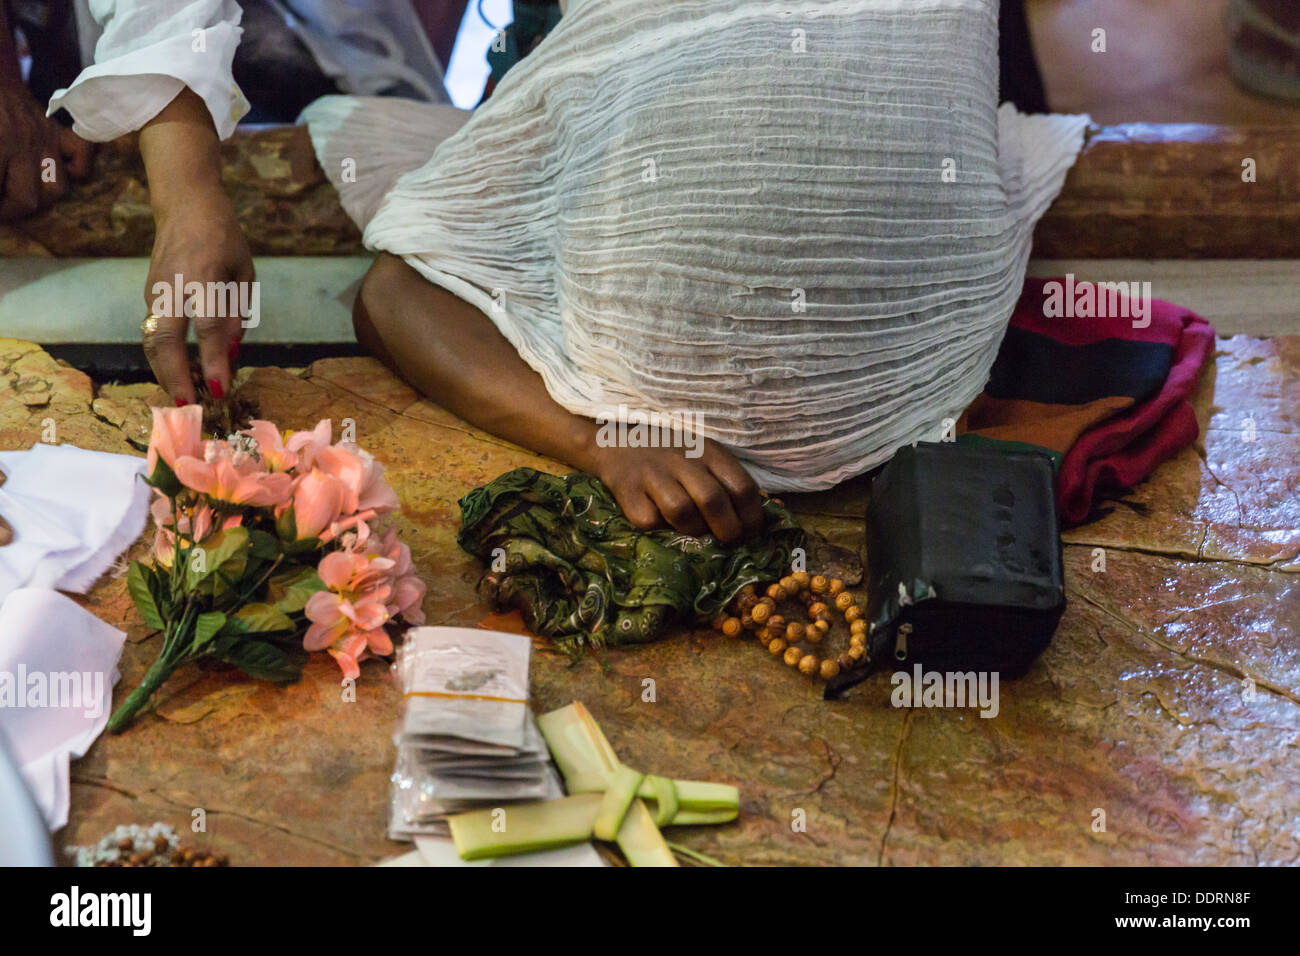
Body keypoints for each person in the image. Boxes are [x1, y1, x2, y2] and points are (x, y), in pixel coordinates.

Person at [311, 0, 1088, 545]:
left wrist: (605, 441)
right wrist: (611, 441)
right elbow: (395, 298)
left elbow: (391, 298)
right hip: (920, 379)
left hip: (906, 378)